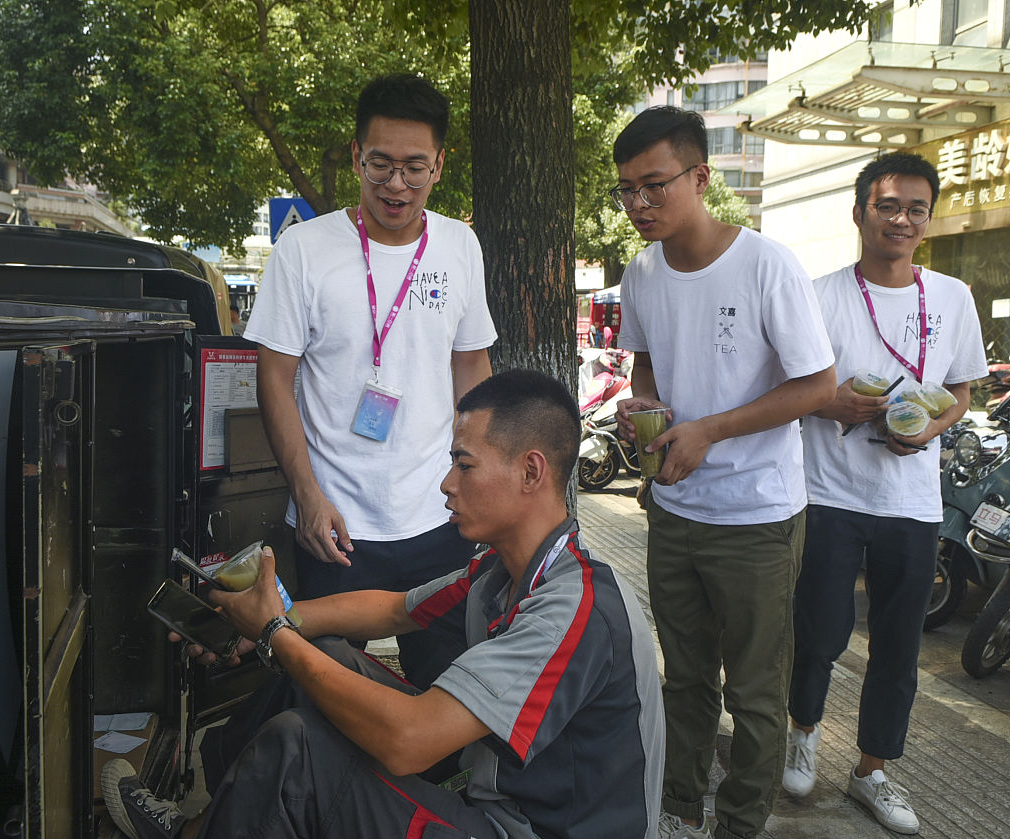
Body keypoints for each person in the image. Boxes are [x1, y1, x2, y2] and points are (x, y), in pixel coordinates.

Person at [101, 369, 665, 839]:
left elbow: (409, 741)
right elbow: (395, 609)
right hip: (491, 791)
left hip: (521, 827)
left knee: (297, 753)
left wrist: (275, 631)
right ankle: (222, 815)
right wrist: (262, 620)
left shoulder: (576, 606)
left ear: (531, 471)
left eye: (464, 465)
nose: (446, 483)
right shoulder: (503, 570)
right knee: (321, 656)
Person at [610, 106, 836, 839]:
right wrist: (643, 415)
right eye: (626, 191)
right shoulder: (640, 273)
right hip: (675, 509)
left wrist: (710, 430)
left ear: (700, 176)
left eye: (654, 186)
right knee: (684, 678)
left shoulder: (766, 264)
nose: (639, 205)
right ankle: (679, 808)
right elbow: (649, 369)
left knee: (757, 690)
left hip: (757, 517)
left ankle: (740, 822)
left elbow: (818, 384)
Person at [242, 73, 496, 688]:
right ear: (357, 155)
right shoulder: (303, 249)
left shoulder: (460, 245)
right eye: (379, 163)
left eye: (414, 166)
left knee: (446, 686)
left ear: (440, 164)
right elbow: (274, 379)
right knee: (330, 689)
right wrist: (307, 495)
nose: (396, 184)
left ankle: (432, 790)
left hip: (440, 515)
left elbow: (472, 367)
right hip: (337, 523)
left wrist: (480, 483)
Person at [782, 152, 986, 834]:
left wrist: (932, 426)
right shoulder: (817, 293)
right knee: (819, 631)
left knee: (899, 645)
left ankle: (871, 768)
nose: (901, 218)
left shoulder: (953, 297)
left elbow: (960, 393)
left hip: (912, 503)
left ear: (928, 220)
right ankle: (803, 731)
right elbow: (792, 388)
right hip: (831, 492)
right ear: (860, 211)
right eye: (888, 205)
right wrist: (831, 403)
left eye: (915, 208)